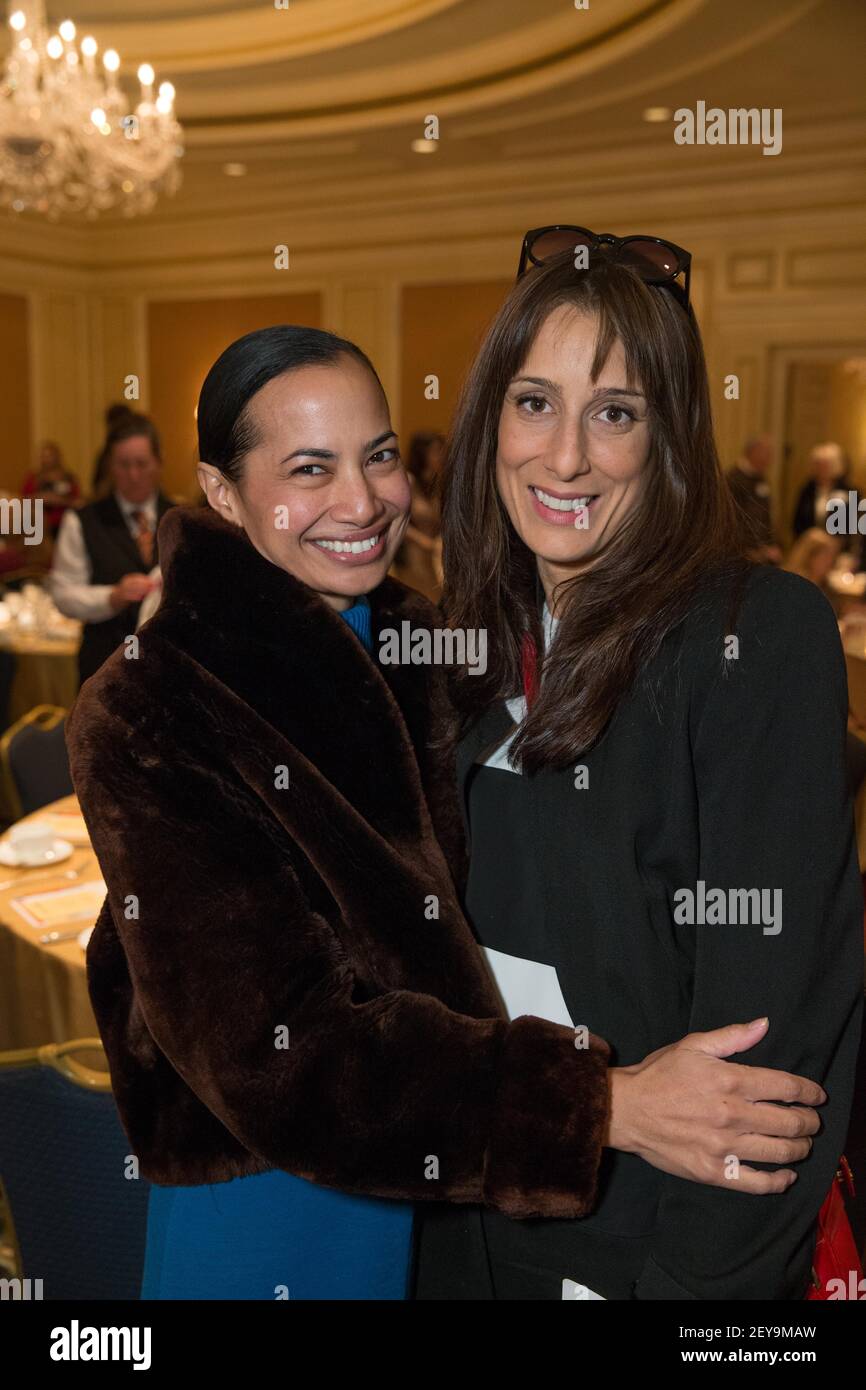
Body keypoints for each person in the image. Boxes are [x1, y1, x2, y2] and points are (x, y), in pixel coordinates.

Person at [63, 326, 825, 1301]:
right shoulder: (153, 702)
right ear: (221, 491)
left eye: (377, 455)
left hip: (447, 1202)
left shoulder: (415, 633)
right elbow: (279, 1058)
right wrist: (603, 1105)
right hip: (279, 1200)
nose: (360, 500)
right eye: (308, 467)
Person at [413, 236, 863, 1300]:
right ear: (488, 424)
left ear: (666, 437)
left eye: (612, 412)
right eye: (533, 402)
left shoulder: (748, 640)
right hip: (459, 1241)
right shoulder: (460, 648)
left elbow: (764, 1080)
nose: (563, 457)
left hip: (644, 1262)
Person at [48, 413, 175, 683]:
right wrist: (112, 596)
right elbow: (63, 594)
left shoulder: (180, 518)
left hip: (170, 669)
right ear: (110, 466)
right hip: (103, 669)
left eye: (141, 464)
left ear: (159, 462)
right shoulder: (82, 521)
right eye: (123, 465)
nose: (133, 474)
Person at [391, 431, 444, 601]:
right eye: (435, 451)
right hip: (414, 552)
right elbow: (398, 522)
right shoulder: (409, 480)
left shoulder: (437, 482)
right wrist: (426, 543)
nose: (440, 456)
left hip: (435, 551)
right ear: (422, 453)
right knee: (419, 599)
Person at [726, 434, 783, 564]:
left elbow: (765, 516)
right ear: (753, 452)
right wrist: (755, 549)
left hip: (763, 549)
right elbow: (735, 520)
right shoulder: (734, 480)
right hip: (743, 551)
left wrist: (772, 544)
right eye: (767, 454)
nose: (770, 460)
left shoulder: (761, 478)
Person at [21, 441, 81, 539]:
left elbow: (79, 502)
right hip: (39, 526)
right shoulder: (33, 479)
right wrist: (41, 498)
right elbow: (23, 501)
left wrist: (61, 501)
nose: (47, 459)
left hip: (64, 524)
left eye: (50, 456)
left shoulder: (69, 479)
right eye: (44, 456)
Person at [791, 441, 849, 539]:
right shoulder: (807, 490)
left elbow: (849, 527)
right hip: (809, 541)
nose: (822, 469)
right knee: (812, 537)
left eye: (826, 465)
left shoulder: (846, 491)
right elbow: (797, 524)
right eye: (818, 465)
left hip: (837, 542)